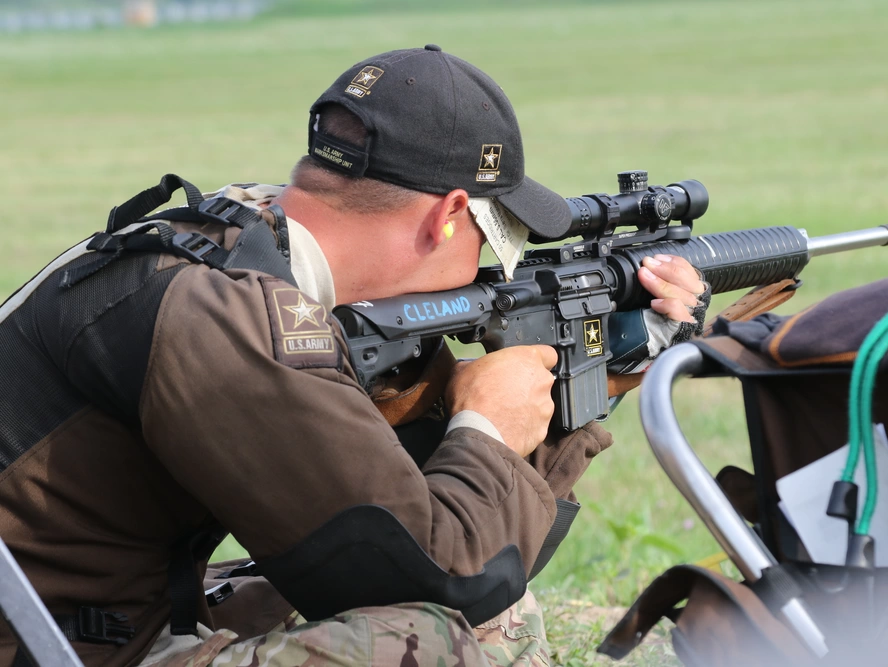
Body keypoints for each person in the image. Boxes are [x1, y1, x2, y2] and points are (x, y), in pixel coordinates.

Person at [0, 46, 706, 666]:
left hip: (99, 613)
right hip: (55, 645)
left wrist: (601, 369)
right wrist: (489, 427)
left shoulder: (237, 242)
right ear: (448, 214)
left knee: (496, 614)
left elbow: (409, 510)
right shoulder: (233, 317)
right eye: (500, 241)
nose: (493, 271)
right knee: (432, 645)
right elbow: (440, 579)